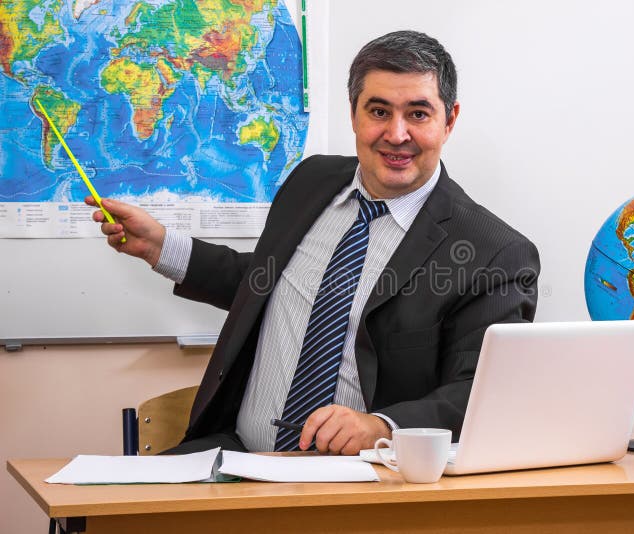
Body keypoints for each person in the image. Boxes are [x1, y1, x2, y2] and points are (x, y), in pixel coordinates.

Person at [88, 30, 539, 455]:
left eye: (418, 114)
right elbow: (272, 284)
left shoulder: (493, 254)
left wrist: (382, 426)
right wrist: (161, 248)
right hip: (235, 456)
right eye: (379, 111)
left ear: (449, 120)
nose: (397, 134)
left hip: (365, 484)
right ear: (354, 113)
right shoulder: (312, 180)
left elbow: (480, 391)